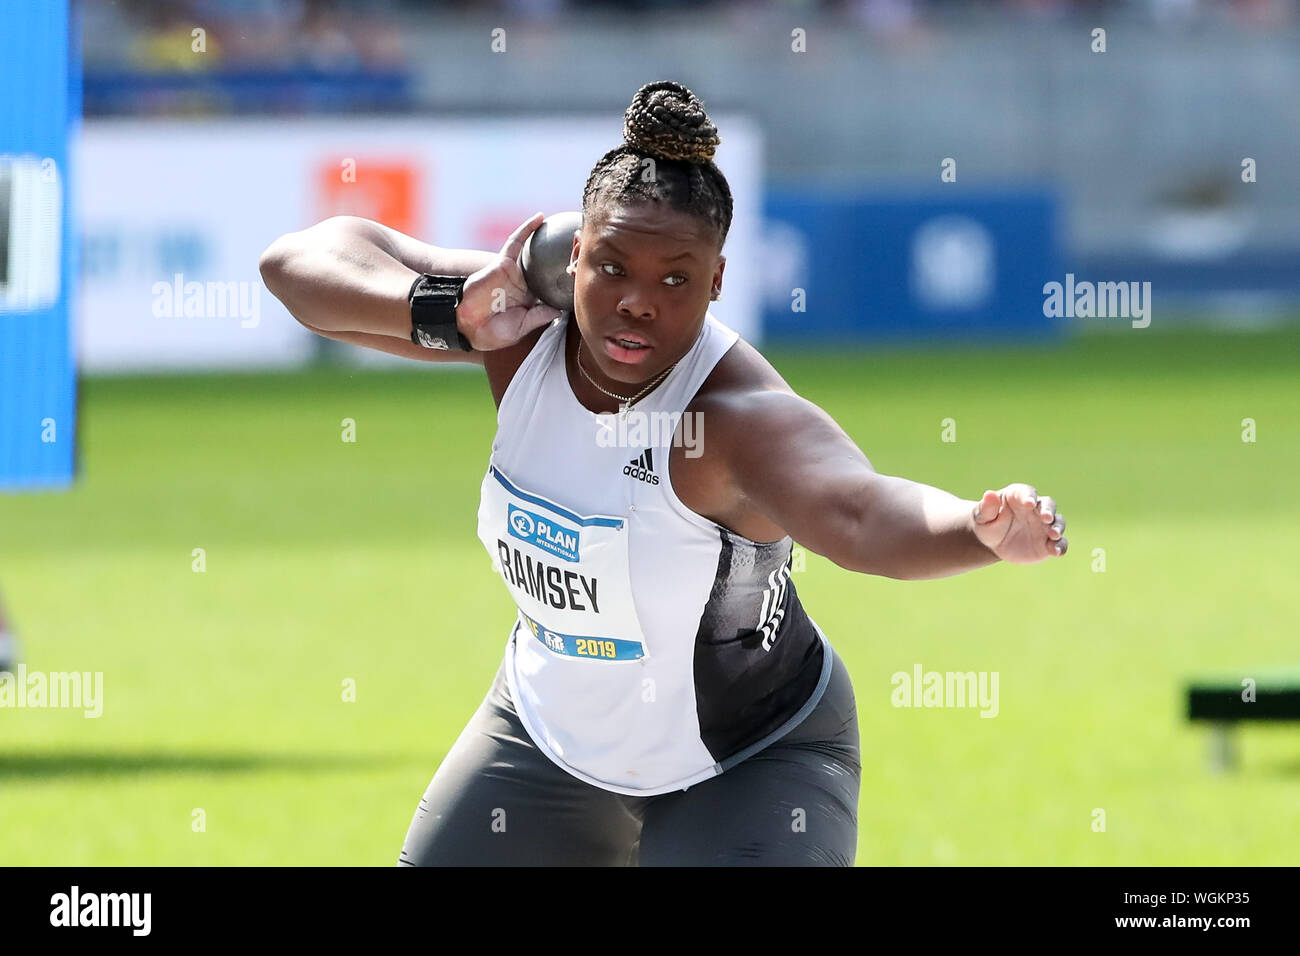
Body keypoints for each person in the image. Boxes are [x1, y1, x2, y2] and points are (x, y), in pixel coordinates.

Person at [259, 80, 1067, 866]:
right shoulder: (517, 328)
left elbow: (860, 516)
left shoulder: (736, 421)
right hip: (546, 742)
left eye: (675, 279)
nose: (637, 302)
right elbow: (296, 266)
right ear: (572, 257)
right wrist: (449, 307)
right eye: (611, 268)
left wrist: (976, 527)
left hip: (749, 760)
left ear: (716, 283)